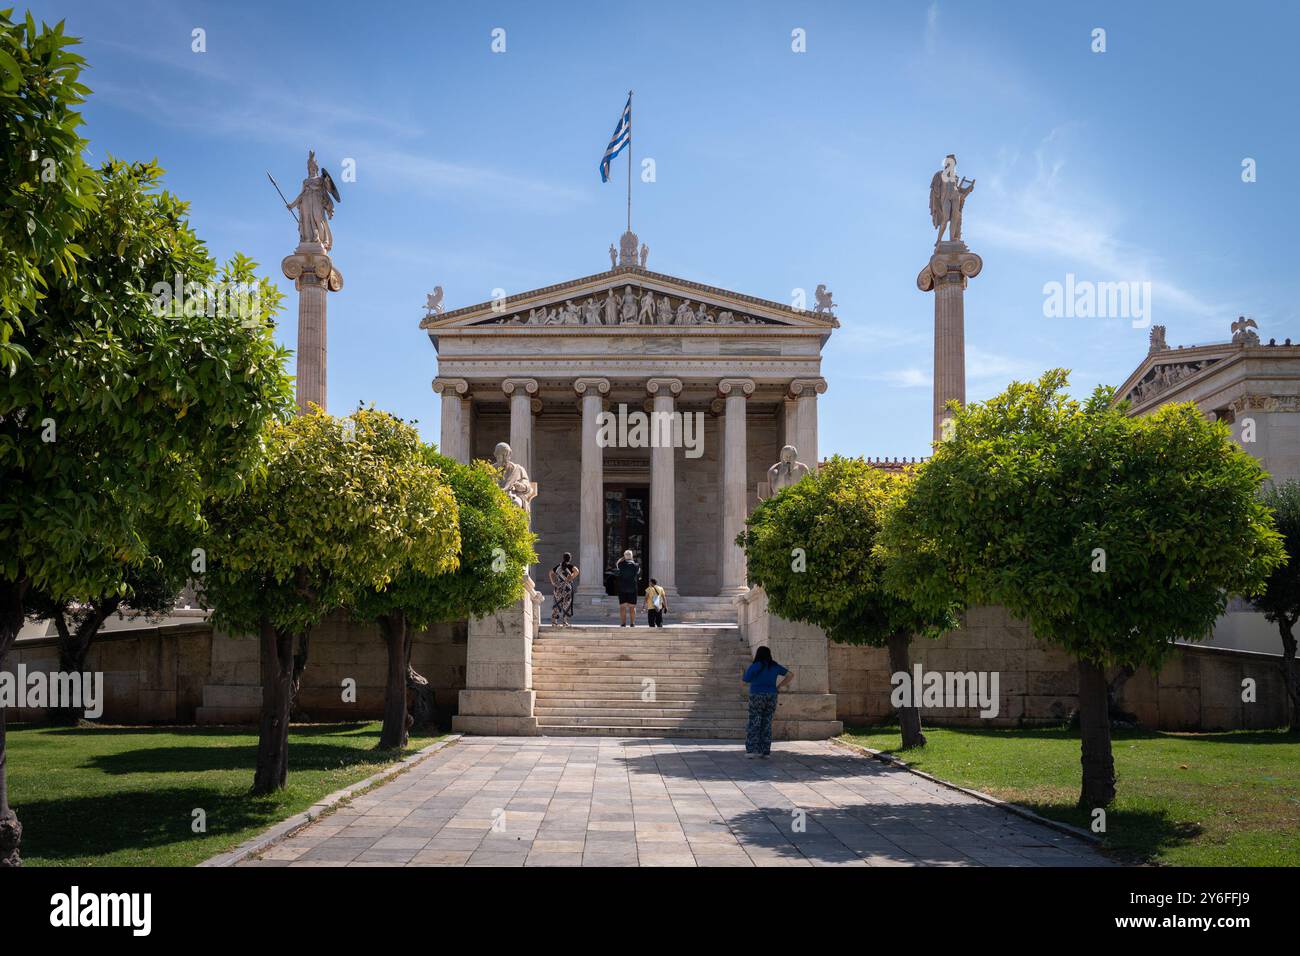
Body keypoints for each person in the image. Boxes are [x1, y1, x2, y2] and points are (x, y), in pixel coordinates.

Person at [742, 646, 793, 758]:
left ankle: (751, 750)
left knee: (754, 721)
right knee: (767, 722)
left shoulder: (755, 666)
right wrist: (779, 686)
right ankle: (765, 751)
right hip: (771, 695)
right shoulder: (774, 666)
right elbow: (790, 675)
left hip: (756, 695)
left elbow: (746, 679)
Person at [548, 552, 579, 627]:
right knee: (566, 604)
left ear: (563, 558)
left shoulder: (558, 566)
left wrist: (553, 582)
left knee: (557, 603)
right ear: (570, 558)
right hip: (567, 588)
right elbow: (577, 571)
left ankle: (554, 622)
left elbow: (550, 573)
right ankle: (564, 622)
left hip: (558, 587)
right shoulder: (570, 566)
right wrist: (571, 577)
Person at [615, 550, 640, 626]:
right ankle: (632, 623)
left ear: (624, 556)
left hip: (622, 588)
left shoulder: (620, 565)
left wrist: (623, 558)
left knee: (623, 607)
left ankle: (623, 623)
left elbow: (617, 563)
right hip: (632, 588)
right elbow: (638, 573)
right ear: (632, 556)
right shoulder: (636, 565)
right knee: (632, 607)